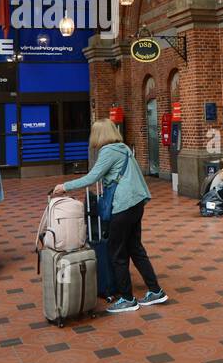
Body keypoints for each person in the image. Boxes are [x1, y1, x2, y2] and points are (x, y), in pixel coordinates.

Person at [54, 119, 167, 314]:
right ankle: (155, 291)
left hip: (122, 206)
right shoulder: (123, 148)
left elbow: (92, 177)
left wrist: (64, 186)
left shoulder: (108, 151)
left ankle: (127, 298)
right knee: (136, 248)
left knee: (117, 253)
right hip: (137, 203)